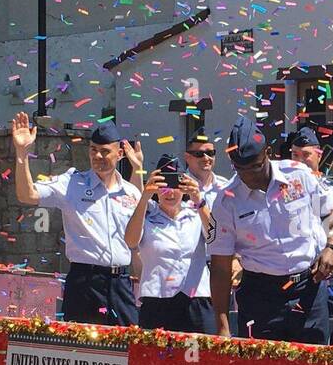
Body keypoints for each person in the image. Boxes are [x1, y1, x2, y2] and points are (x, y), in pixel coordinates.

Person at [209, 116, 333, 343]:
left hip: (308, 287)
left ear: (267, 153)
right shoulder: (226, 201)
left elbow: (331, 211)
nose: (249, 176)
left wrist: (332, 246)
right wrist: (222, 325)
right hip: (261, 295)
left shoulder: (298, 175)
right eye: (241, 169)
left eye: (255, 166)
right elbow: (220, 267)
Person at [12, 115, 146, 325]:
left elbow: (136, 242)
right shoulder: (72, 183)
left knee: (129, 346)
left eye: (105, 151)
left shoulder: (130, 191)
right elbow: (27, 195)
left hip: (120, 282)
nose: (98, 156)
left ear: (120, 154)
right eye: (93, 150)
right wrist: (21, 153)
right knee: (83, 348)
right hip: (85, 283)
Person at [125, 155, 215, 333]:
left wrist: (198, 199)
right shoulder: (147, 214)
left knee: (200, 359)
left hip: (195, 298)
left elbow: (215, 237)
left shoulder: (196, 212)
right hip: (157, 299)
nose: (170, 192)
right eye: (164, 186)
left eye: (175, 185)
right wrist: (144, 197)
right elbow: (131, 241)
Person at [289, 125, 333, 342]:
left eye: (306, 155)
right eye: (294, 155)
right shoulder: (281, 189)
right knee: (304, 334)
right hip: (301, 273)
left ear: (318, 155)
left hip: (332, 273)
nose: (300, 160)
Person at [183, 131, 228, 211]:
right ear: (187, 157)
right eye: (199, 154)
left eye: (210, 153)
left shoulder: (225, 186)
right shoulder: (179, 186)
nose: (206, 158)